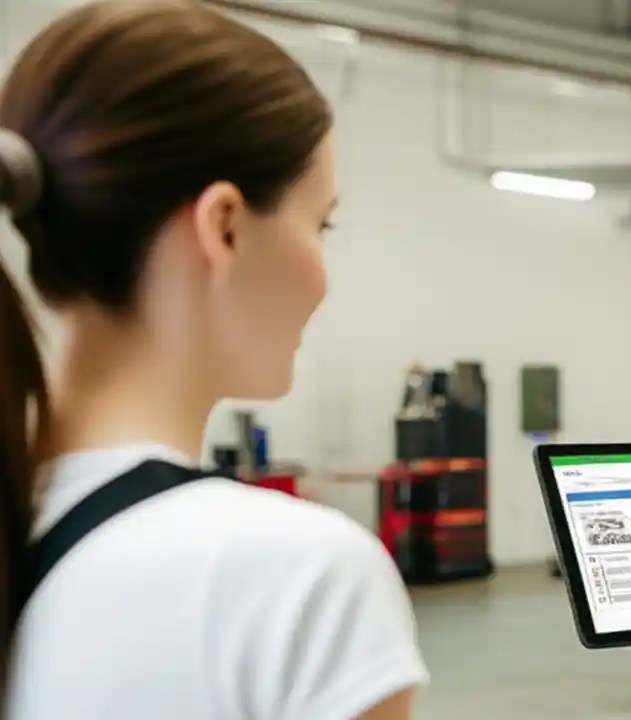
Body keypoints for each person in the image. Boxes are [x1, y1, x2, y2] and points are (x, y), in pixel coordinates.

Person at [0, 1, 427, 718]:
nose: (324, 270)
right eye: (320, 223)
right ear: (223, 226)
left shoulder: (23, 522)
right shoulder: (296, 577)